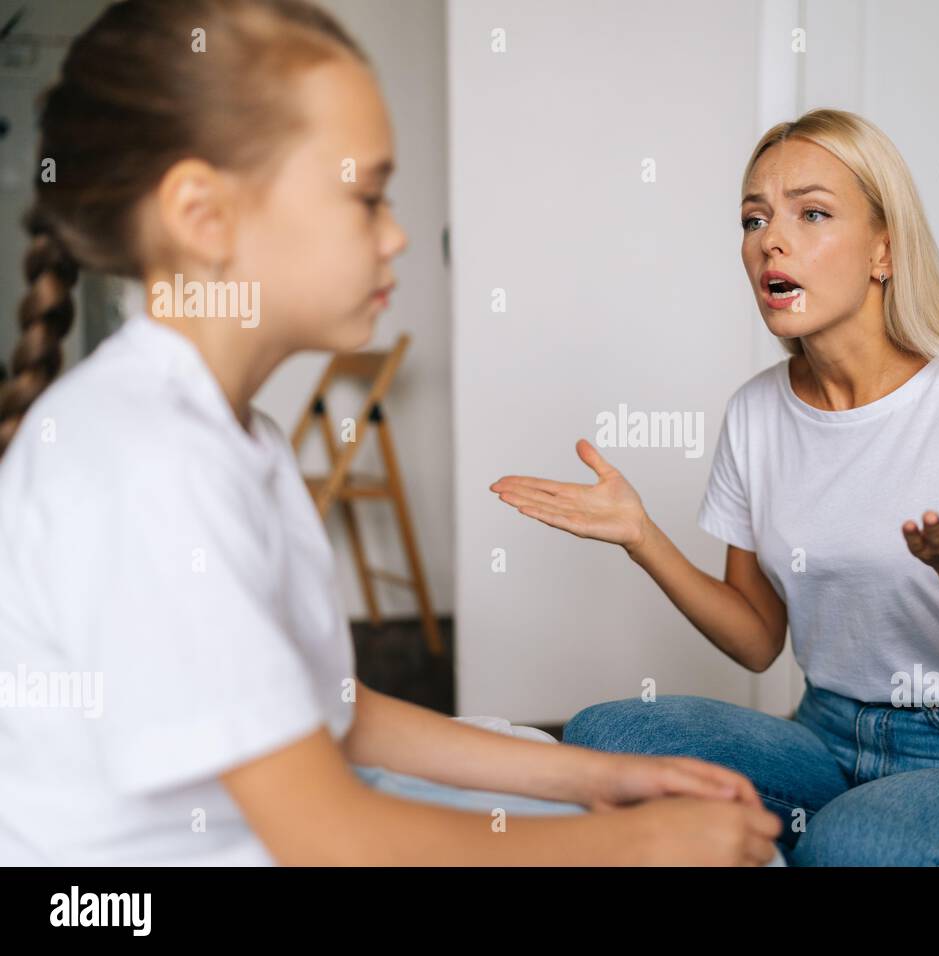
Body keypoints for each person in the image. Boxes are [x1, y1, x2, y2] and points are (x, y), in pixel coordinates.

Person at [0, 0, 782, 867]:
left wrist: (589, 780)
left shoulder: (238, 437)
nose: (398, 233)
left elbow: (338, 710)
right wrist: (631, 844)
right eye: (366, 196)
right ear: (205, 217)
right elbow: (326, 835)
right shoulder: (142, 456)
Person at [492, 109, 939, 866]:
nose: (771, 239)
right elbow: (756, 639)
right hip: (822, 740)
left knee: (851, 845)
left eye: (812, 213)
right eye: (754, 218)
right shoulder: (757, 411)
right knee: (607, 739)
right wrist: (643, 538)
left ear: (884, 250)